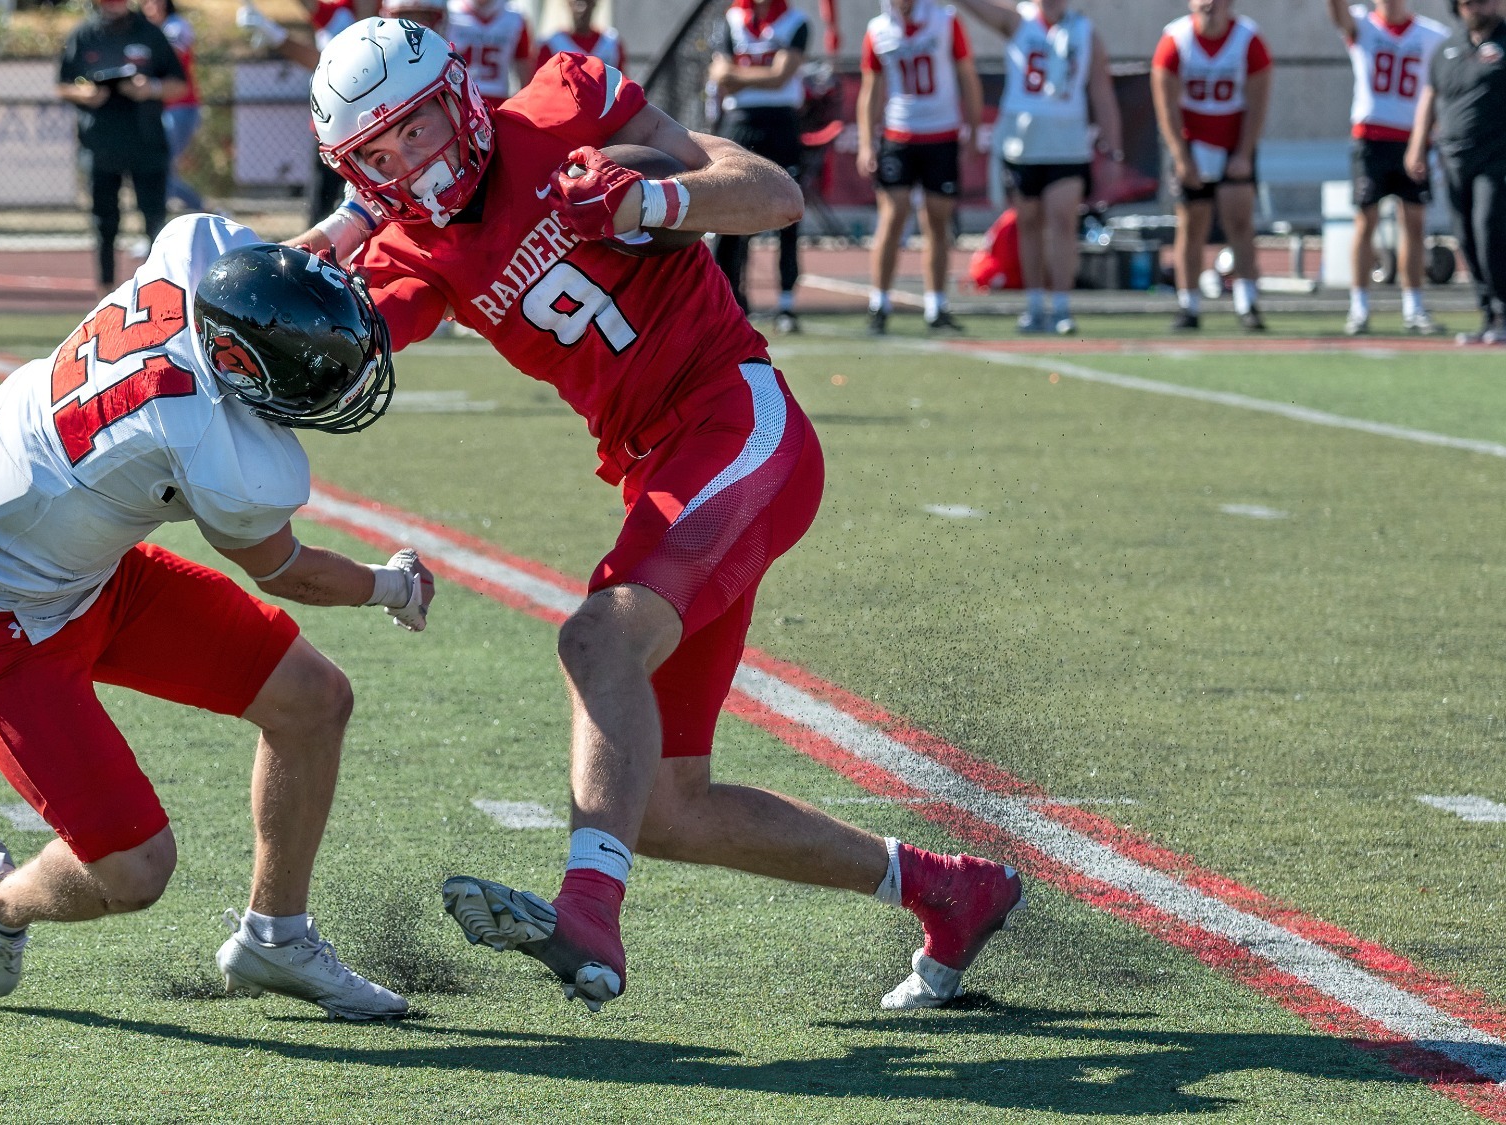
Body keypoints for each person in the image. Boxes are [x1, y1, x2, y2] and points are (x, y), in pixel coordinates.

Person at [297, 19, 1024, 1013]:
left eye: (414, 131)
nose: (407, 166)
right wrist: (264, 304)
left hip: (735, 418)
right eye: (376, 157)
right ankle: (946, 890)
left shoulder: (561, 103)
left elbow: (769, 192)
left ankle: (588, 911)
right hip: (658, 470)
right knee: (664, 806)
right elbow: (338, 344)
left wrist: (650, 199)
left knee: (598, 638)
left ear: (456, 100)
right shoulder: (412, 247)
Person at [0, 213, 428, 1018]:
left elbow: (266, 273)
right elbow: (289, 570)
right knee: (135, 871)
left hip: (92, 572)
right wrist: (390, 586)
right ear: (241, 366)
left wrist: (350, 221)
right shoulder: (217, 446)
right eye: (308, 374)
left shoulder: (198, 256)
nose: (324, 385)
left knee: (312, 698)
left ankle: (276, 935)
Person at [950, 0, 1120, 335]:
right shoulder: (1020, 22)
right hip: (1023, 143)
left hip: (1067, 144)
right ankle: (1034, 305)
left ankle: (1062, 307)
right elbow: (982, 10)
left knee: (1062, 220)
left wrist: (1114, 150)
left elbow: (1101, 91)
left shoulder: (1085, 31)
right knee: (1028, 222)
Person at [857, 0, 982, 335]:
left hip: (941, 133)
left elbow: (966, 74)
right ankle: (879, 303)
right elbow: (870, 89)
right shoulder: (878, 29)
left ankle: (936, 304)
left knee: (937, 220)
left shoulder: (945, 20)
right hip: (899, 134)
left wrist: (973, 128)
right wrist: (867, 142)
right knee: (893, 215)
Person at [1151, 0, 1272, 333]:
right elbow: (1165, 103)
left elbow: (1258, 101)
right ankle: (1188, 305)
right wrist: (1181, 155)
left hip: (1233, 142)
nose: (1209, 5)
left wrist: (1244, 152)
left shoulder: (1248, 39)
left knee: (1240, 222)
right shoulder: (1175, 39)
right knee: (1192, 224)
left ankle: (1247, 302)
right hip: (1192, 142)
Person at [1330, 0, 1449, 336]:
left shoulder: (1432, 35)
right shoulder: (1363, 25)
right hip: (1371, 138)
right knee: (1365, 220)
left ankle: (1414, 307)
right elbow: (1338, 16)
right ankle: (1359, 307)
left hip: (1413, 139)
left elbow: (1440, 88)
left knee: (1414, 222)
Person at [59, 0, 188, 288]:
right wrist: (86, 93)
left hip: (146, 142)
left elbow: (180, 84)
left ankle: (158, 292)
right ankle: (105, 295)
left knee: (155, 223)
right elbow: (63, 84)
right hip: (100, 145)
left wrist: (150, 88)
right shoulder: (83, 35)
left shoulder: (150, 34)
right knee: (104, 225)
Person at [1406, 0, 1506, 345]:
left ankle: (1503, 312)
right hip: (1454, 160)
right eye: (1468, 2)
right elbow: (1430, 96)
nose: (1476, 7)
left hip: (1497, 158)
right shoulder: (1448, 48)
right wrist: (1417, 144)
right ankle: (1488, 314)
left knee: (1489, 228)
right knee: (1465, 236)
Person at [709, 0, 811, 333]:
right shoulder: (732, 19)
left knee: (789, 212)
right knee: (729, 213)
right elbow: (720, 76)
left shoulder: (795, 21)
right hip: (739, 123)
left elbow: (781, 77)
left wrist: (739, 76)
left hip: (781, 124)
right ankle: (730, 300)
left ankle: (786, 303)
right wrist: (758, 76)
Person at [236, 0, 377, 225]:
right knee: (326, 203)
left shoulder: (387, 16)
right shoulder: (341, 14)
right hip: (340, 126)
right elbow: (328, 62)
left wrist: (274, 35)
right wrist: (274, 35)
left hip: (379, 125)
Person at [141, 0, 206, 213]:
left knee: (159, 171)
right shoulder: (154, 29)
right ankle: (197, 209)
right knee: (158, 170)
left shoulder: (176, 26)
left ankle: (203, 209)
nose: (150, 7)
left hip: (181, 107)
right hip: (165, 109)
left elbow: (167, 59)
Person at [448, 0, 533, 105]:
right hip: (458, 96)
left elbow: (523, 65)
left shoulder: (515, 18)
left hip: (496, 98)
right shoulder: (450, 12)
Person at [535, 0, 624, 72]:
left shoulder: (610, 43)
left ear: (594, 3)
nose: (582, 8)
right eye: (577, 2)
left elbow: (622, 84)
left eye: (587, 1)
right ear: (568, 3)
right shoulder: (551, 45)